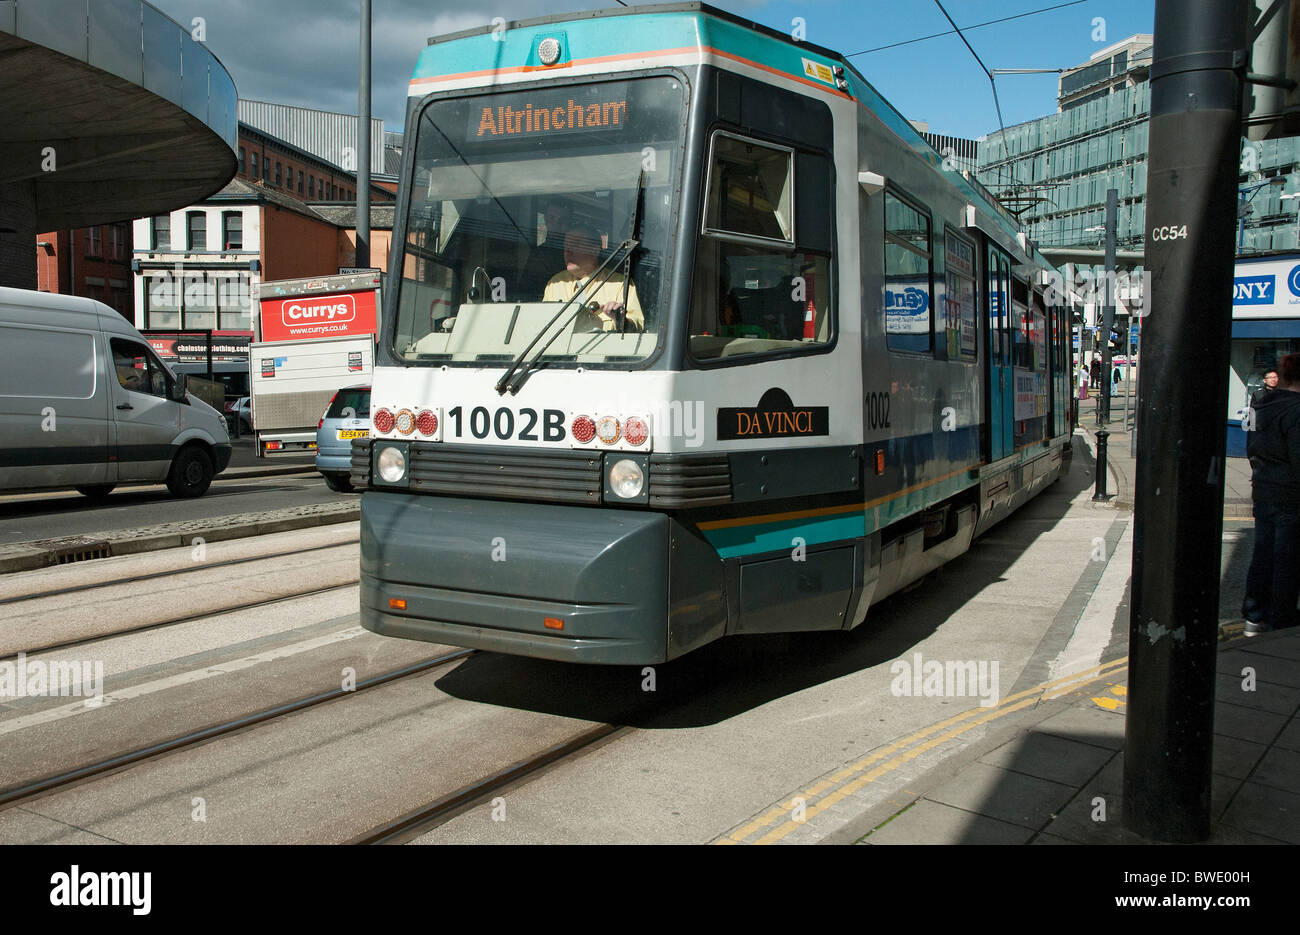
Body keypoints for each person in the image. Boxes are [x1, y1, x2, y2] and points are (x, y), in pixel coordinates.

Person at [1242, 353, 1300, 635]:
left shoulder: (1262, 406)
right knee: (1286, 558)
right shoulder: (1296, 411)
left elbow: (1250, 447)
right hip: (1289, 494)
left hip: (1262, 489)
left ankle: (1255, 614)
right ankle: (1283, 617)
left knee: (1263, 553)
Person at [543, 225, 644, 331]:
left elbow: (636, 330)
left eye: (575, 244)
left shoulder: (621, 284)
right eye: (565, 246)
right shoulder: (555, 283)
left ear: (594, 250)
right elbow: (541, 324)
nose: (568, 251)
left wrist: (620, 320)